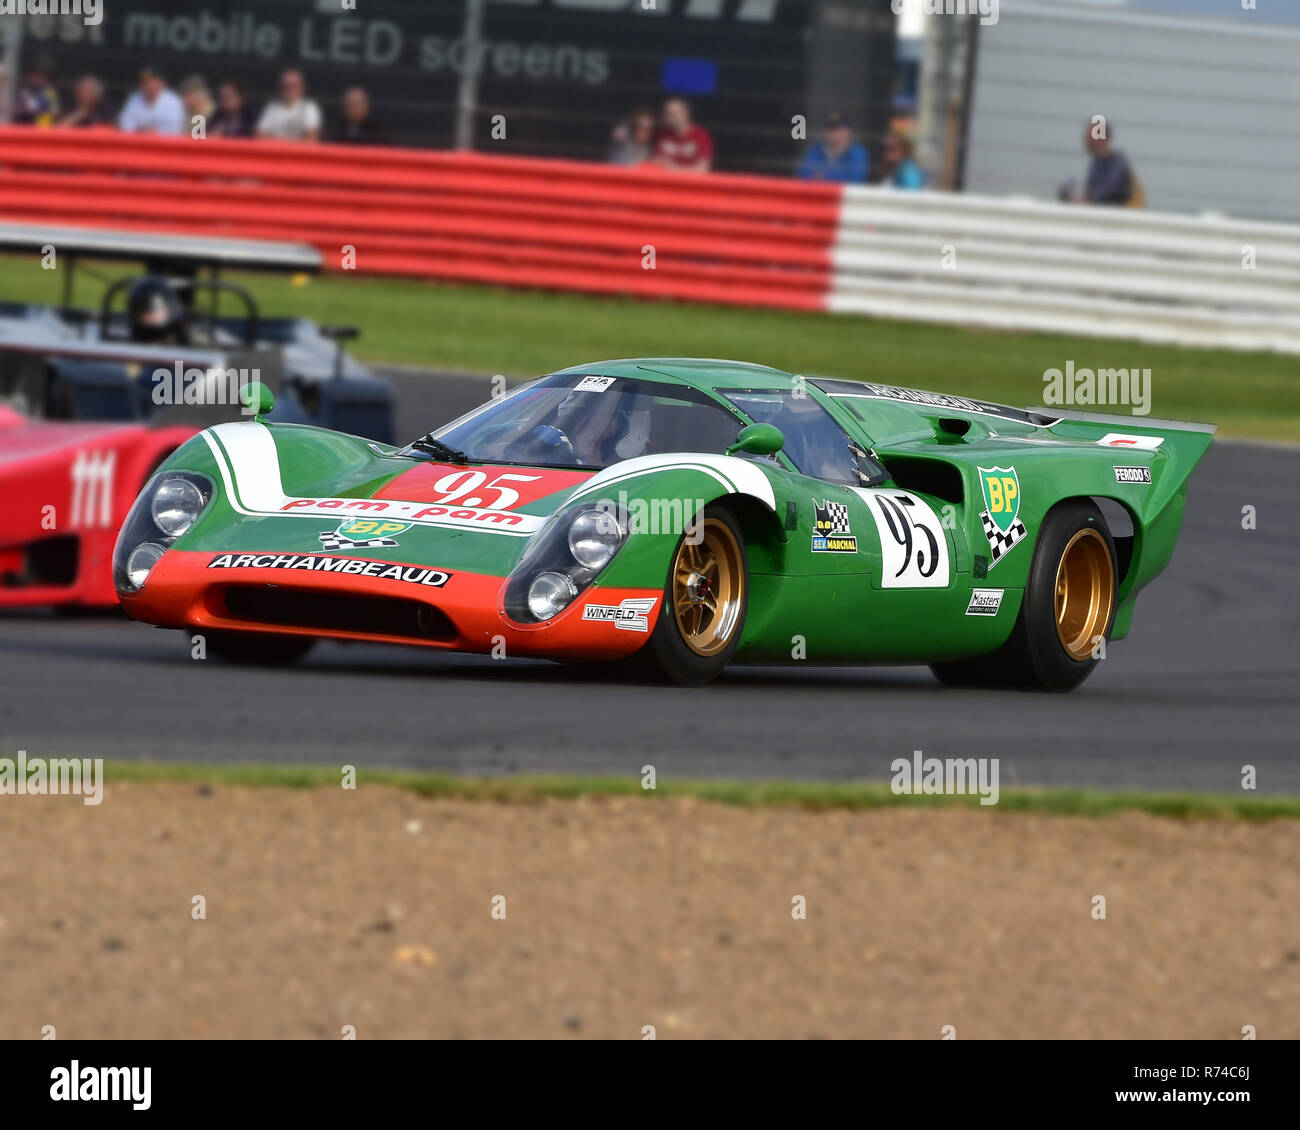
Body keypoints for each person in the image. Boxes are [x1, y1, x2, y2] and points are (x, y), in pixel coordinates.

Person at [1064, 120, 1136, 206]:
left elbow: (1109, 188)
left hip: (1120, 214)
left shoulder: (1118, 162)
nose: (1086, 140)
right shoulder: (1095, 165)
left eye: (1090, 136)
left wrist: (1088, 199)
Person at [797, 111, 868, 184]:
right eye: (829, 129)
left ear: (848, 131)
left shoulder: (858, 153)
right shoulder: (814, 150)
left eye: (837, 129)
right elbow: (802, 176)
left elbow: (855, 181)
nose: (833, 133)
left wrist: (822, 178)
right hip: (815, 194)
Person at [256, 69, 322, 142]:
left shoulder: (310, 108)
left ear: (302, 88)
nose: (290, 89)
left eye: (294, 85)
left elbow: (311, 138)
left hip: (299, 153)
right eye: (286, 86)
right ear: (280, 88)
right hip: (274, 151)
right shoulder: (271, 107)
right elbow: (259, 136)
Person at [118, 66, 185, 135]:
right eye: (145, 82)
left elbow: (175, 129)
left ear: (161, 82)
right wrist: (142, 132)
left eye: (152, 81)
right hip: (138, 141)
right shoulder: (134, 99)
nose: (148, 85)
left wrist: (155, 132)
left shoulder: (173, 101)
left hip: (165, 143)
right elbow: (125, 125)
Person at [652, 97, 713, 172]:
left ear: (686, 113)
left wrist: (674, 168)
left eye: (672, 113)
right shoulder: (663, 136)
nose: (668, 117)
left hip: (689, 182)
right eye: (666, 113)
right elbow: (656, 164)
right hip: (665, 181)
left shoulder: (701, 136)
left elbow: (702, 170)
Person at [14, 57, 60, 127]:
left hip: (42, 129)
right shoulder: (26, 90)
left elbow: (29, 107)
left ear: (47, 78)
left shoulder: (50, 92)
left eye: (39, 76)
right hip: (23, 127)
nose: (35, 78)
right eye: (33, 75)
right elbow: (17, 108)